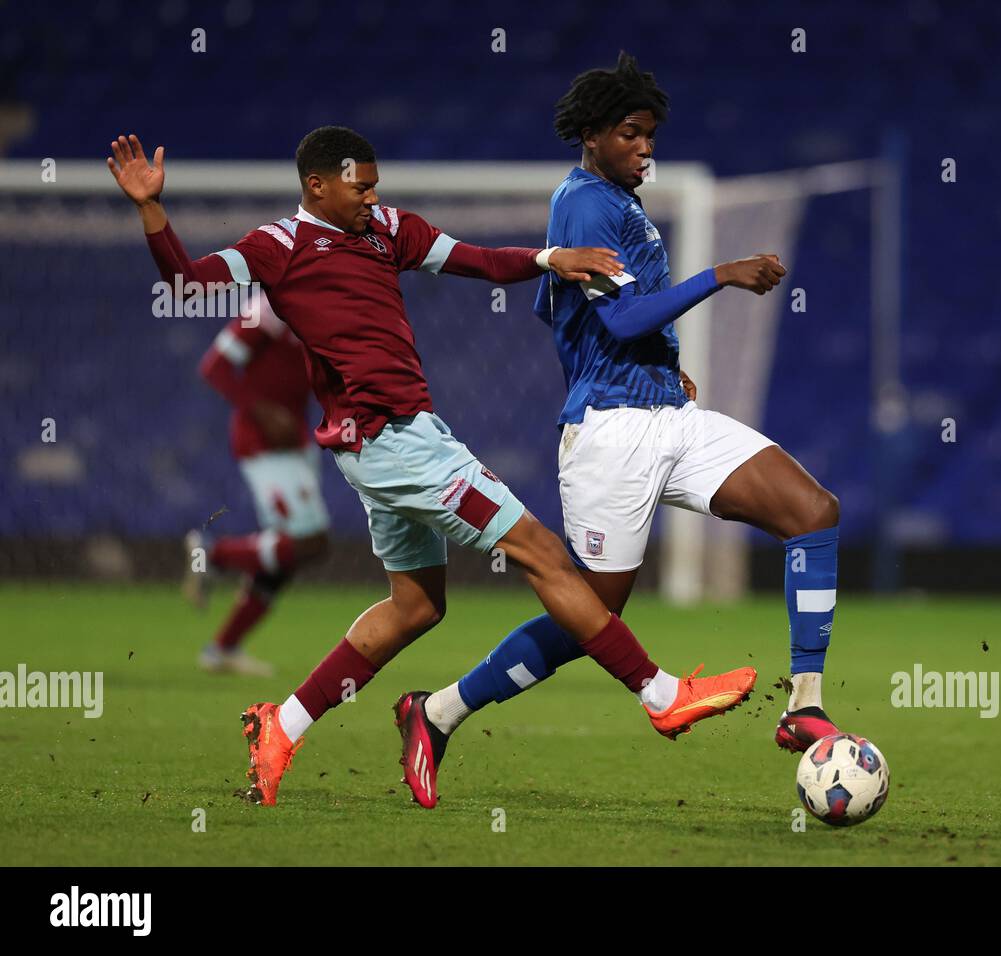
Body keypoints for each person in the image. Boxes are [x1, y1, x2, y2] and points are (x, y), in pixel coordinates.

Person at [106, 127, 756, 808]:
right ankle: (660, 694)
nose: (373, 196)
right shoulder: (279, 247)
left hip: (388, 445)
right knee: (541, 554)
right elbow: (185, 283)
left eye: (375, 184)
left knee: (416, 606)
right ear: (317, 186)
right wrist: (151, 208)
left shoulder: (387, 229)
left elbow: (477, 261)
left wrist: (548, 256)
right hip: (399, 448)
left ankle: (282, 724)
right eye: (360, 186)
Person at [434, 54, 844, 754]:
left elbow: (559, 309)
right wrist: (720, 275)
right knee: (592, 616)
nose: (646, 148)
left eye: (651, 134)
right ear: (592, 134)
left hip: (667, 416)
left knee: (813, 513)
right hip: (612, 435)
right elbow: (620, 321)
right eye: (631, 133)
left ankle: (804, 705)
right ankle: (441, 710)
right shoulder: (583, 201)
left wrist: (662, 367)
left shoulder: (620, 202)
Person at [186, 296, 328, 678]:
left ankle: (222, 649)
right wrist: (263, 411)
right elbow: (214, 367)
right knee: (307, 543)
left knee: (292, 554)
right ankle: (213, 555)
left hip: (295, 441)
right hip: (264, 443)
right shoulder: (269, 309)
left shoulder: (320, 304)